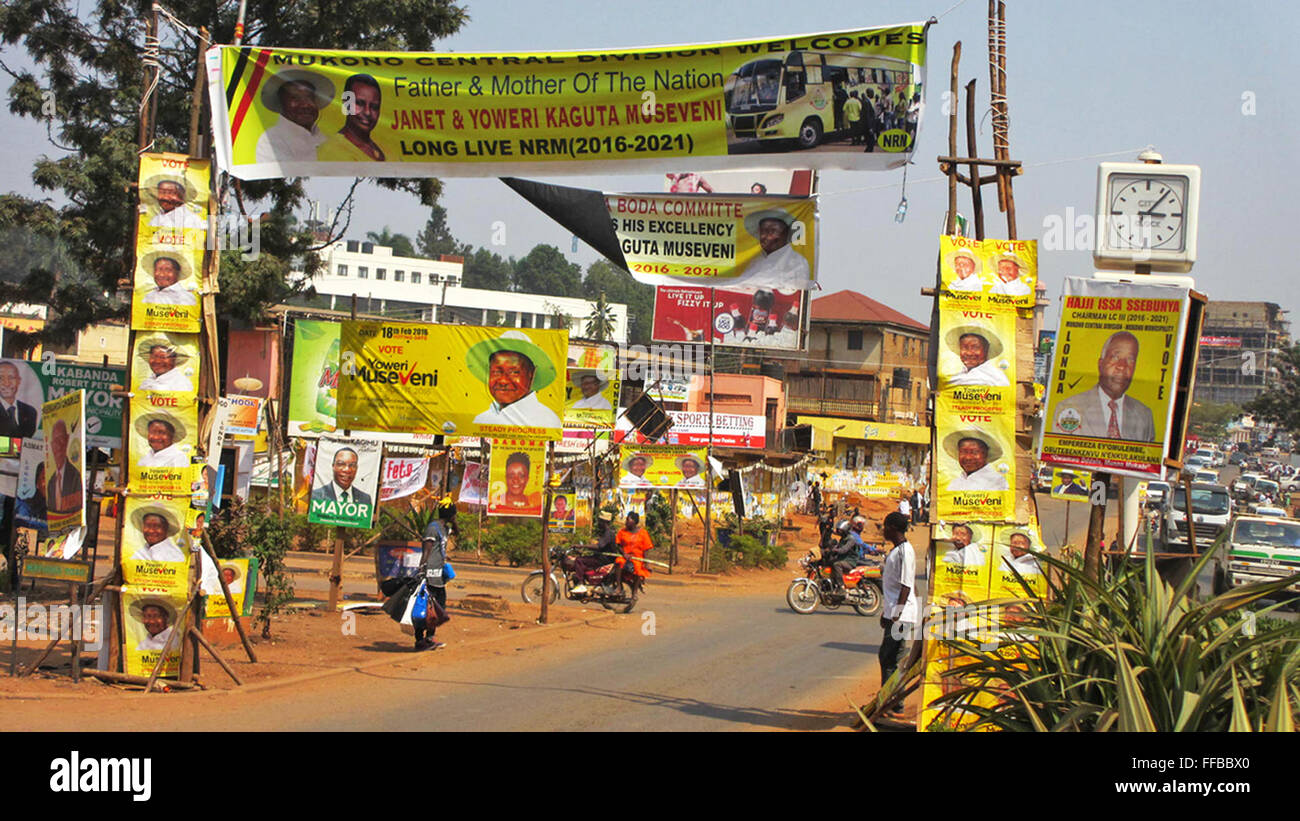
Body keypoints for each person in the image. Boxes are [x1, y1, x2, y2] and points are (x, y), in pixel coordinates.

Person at [1051, 330, 1156, 441]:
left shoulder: (1144, 416)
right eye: (1115, 357)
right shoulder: (1069, 408)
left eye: (1130, 360)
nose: (1122, 366)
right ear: (1100, 364)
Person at [469, 332, 563, 429]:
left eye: (513, 372)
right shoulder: (482, 420)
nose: (503, 381)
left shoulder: (547, 421)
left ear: (532, 374)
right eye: (496, 372)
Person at [879, 511, 917, 708]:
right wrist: (887, 614)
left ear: (892, 528)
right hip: (896, 614)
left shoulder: (905, 551)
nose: (883, 531)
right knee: (890, 658)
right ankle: (893, 702)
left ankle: (889, 702)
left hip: (901, 616)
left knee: (889, 658)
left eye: (885, 527)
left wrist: (896, 614)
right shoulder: (897, 550)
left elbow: (906, 585)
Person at [256, 70, 333, 163]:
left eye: (309, 97)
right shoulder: (271, 139)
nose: (305, 105)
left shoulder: (328, 139)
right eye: (295, 98)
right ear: (281, 103)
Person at [318, 74, 389, 161]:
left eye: (374, 107)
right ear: (346, 104)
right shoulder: (331, 151)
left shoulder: (386, 150)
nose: (367, 112)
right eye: (359, 103)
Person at [736, 209, 812, 289]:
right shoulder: (756, 262)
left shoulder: (798, 263)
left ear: (786, 233)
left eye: (773, 231)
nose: (768, 236)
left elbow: (796, 294)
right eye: (763, 231)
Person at [413, 519, 450, 651]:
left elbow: (457, 532)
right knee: (424, 608)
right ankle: (419, 639)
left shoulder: (445, 528)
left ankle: (430, 637)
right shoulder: (432, 528)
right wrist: (422, 569)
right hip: (430, 574)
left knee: (438, 608)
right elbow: (426, 550)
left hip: (439, 576)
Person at [573, 510, 619, 595]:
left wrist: (582, 546)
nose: (598, 523)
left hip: (604, 560)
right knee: (585, 560)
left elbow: (599, 546)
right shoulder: (607, 532)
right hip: (603, 557)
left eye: (600, 521)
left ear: (604, 522)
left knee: (579, 560)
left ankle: (580, 584)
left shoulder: (608, 533)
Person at [46, 420, 83, 514]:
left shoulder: (75, 476)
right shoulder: (51, 481)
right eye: (55, 442)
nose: (58, 446)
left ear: (67, 439)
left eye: (61, 439)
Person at [613, 511, 654, 590]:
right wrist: (624, 553)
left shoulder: (643, 533)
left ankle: (634, 593)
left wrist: (646, 563)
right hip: (625, 557)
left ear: (634, 522)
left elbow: (646, 549)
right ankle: (618, 586)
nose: (626, 522)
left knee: (638, 570)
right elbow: (618, 545)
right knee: (618, 562)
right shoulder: (622, 532)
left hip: (637, 558)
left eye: (628, 520)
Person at [0, 361, 38, 438]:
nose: (6, 383)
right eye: (1, 378)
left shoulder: (30, 412)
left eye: (11, 378)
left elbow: (27, 441)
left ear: (19, 381)